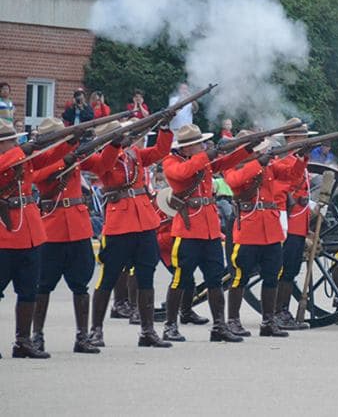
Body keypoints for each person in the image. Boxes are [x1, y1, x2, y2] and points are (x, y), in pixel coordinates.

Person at [31, 118, 117, 355]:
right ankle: (36, 336)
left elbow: (102, 166)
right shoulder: (40, 156)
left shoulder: (74, 153)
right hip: (52, 228)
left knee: (81, 285)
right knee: (43, 285)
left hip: (78, 227)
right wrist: (64, 160)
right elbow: (36, 176)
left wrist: (114, 145)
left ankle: (82, 336)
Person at [87, 117, 174, 348]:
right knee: (108, 277)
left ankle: (147, 331)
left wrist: (164, 127)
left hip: (144, 221)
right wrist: (115, 144)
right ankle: (96, 330)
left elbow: (160, 151)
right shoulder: (99, 157)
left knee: (146, 277)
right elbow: (104, 165)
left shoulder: (133, 153)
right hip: (119, 225)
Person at [160, 124, 252, 343]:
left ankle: (219, 326)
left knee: (215, 279)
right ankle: (170, 326)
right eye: (198, 144)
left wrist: (247, 149)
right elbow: (183, 173)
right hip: (188, 230)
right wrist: (208, 154)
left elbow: (227, 162)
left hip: (210, 230)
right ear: (186, 147)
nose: (202, 146)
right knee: (180, 279)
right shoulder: (171, 162)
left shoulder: (202, 160)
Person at [0, 120, 75, 358]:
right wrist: (21, 150)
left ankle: (23, 342)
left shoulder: (21, 157)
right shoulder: (13, 157)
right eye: (10, 141)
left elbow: (48, 158)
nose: (15, 143)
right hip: (4, 234)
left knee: (29, 290)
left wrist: (70, 141)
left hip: (30, 232)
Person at [224, 130, 306, 338]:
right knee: (240, 276)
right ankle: (233, 321)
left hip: (270, 229)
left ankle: (268, 322)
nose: (261, 152)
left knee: (272, 275)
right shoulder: (234, 166)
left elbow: (291, 176)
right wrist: (257, 163)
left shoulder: (268, 165)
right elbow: (234, 181)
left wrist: (301, 158)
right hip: (249, 229)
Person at [275, 119, 315, 330]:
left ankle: (283, 310)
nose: (305, 140)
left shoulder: (297, 159)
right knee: (285, 269)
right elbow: (289, 181)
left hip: (299, 222)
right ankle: (278, 312)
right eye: (302, 136)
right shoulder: (283, 159)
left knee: (291, 269)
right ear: (290, 138)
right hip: (288, 223)